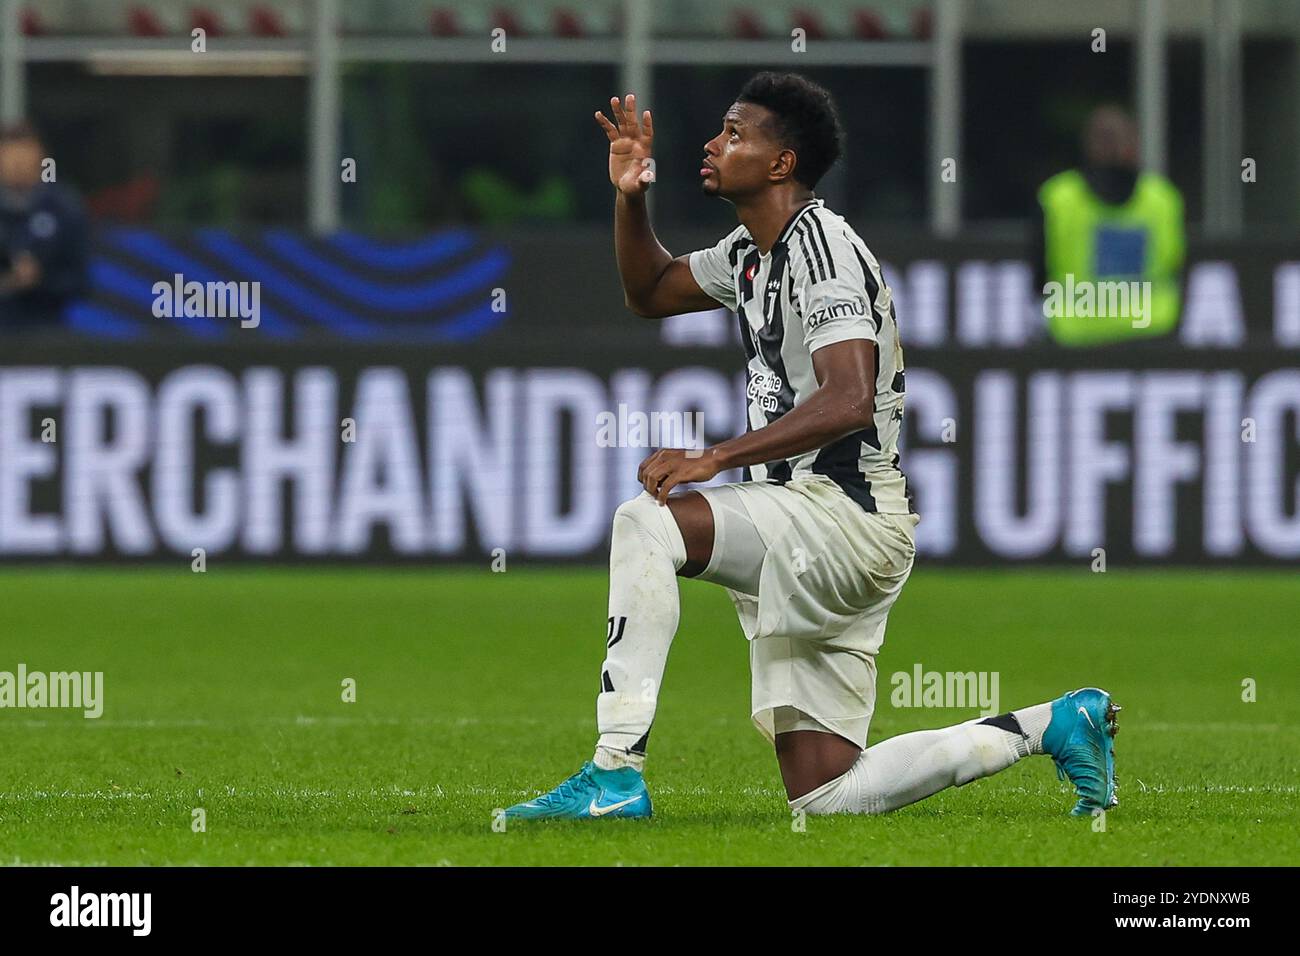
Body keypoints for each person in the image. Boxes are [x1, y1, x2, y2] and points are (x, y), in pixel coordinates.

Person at [507, 73, 1118, 821]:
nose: (710, 143)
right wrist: (630, 196)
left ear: (780, 163)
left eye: (734, 133)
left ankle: (614, 772)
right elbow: (651, 289)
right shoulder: (751, 253)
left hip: (843, 520)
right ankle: (1051, 725)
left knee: (648, 523)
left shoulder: (821, 247)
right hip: (813, 528)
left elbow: (848, 398)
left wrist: (715, 457)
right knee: (827, 796)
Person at [1033, 106, 1184, 345]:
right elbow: (1177, 265)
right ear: (1133, 146)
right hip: (1151, 334)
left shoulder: (1057, 197)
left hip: (1076, 335)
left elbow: (1039, 274)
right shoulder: (1162, 198)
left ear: (1089, 147)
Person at [0, 121, 89, 331]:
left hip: (45, 333)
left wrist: (40, 279)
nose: (17, 164)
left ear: (40, 158)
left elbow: (80, 281)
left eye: (24, 155)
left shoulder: (63, 208)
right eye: (10, 155)